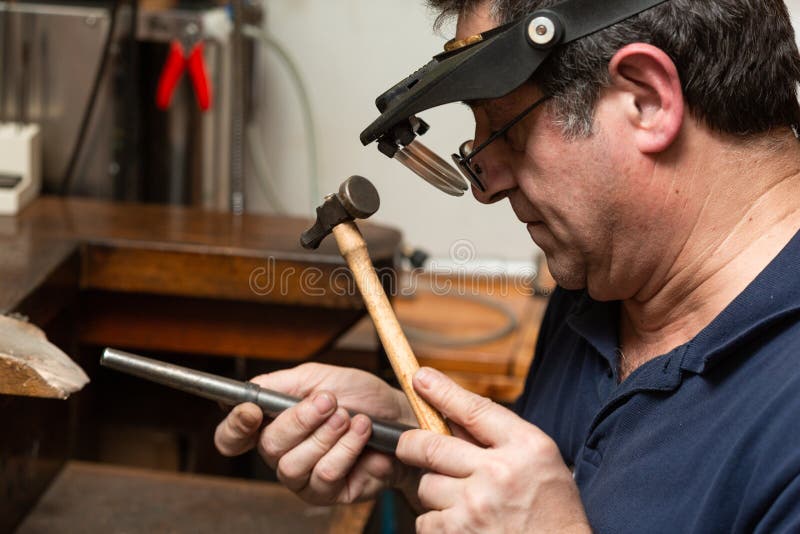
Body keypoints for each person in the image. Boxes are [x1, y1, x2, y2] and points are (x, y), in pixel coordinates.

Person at [215, 0, 800, 531]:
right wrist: (417, 441)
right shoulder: (603, 282)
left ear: (645, 99)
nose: (485, 185)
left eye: (505, 128)